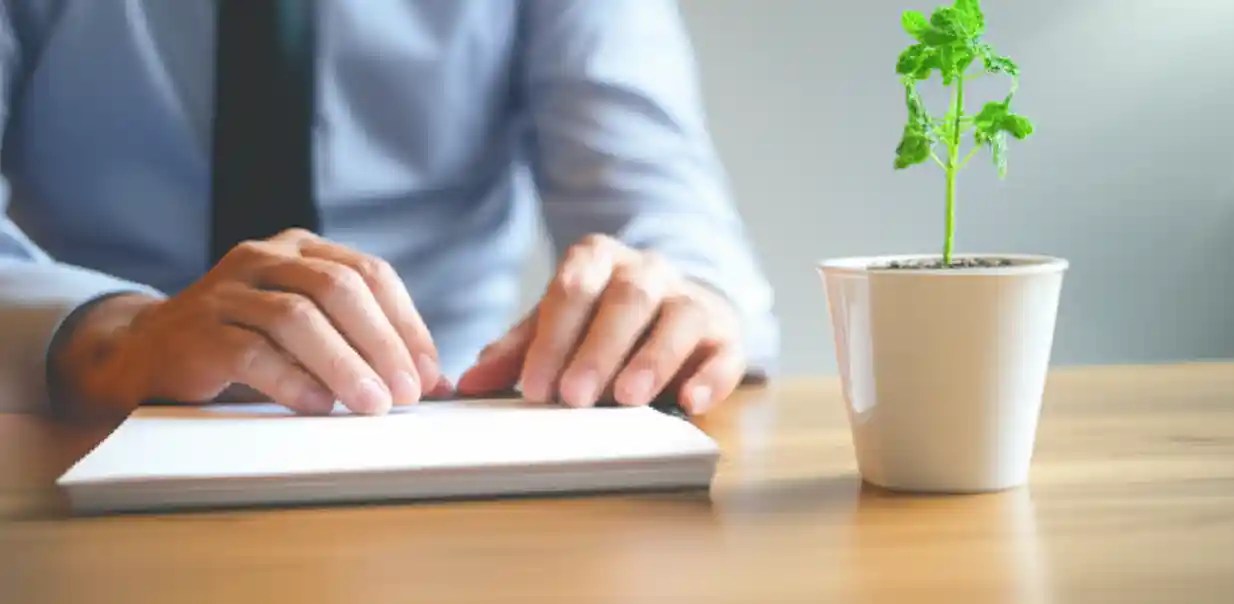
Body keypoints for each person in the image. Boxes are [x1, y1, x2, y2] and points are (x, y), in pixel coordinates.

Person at [0, 0, 777, 420]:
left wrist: (680, 298)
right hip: (92, 412)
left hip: (451, 425)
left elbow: (657, 191)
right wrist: (106, 335)